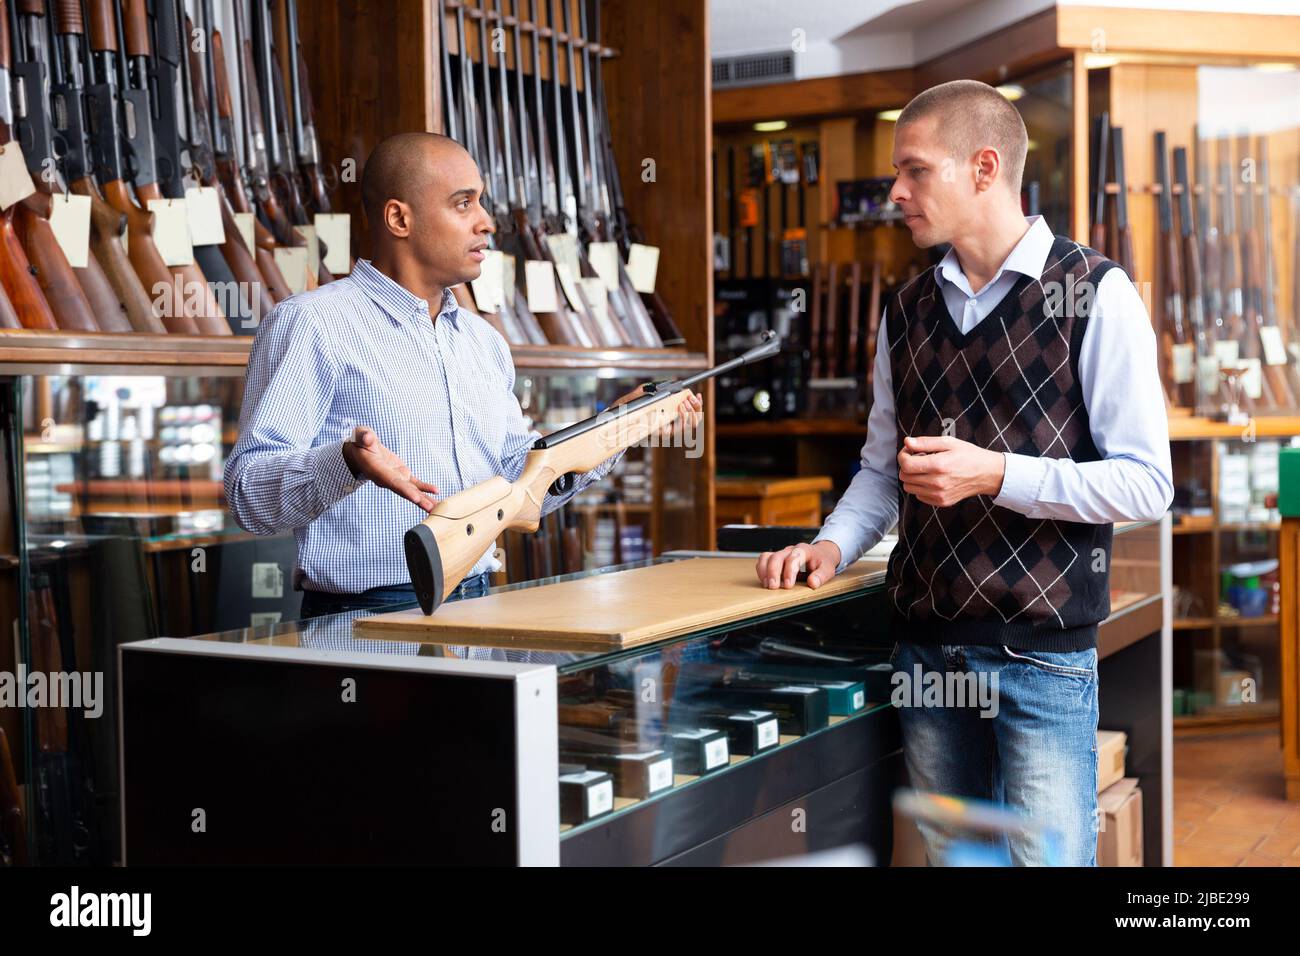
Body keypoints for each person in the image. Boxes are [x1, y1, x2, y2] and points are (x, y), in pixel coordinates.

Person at [754, 80, 1172, 866]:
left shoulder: (1095, 293)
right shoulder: (905, 308)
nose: (895, 192)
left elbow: (1147, 483)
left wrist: (994, 474)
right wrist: (831, 546)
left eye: (915, 171)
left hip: (1042, 656)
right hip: (924, 649)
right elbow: (881, 471)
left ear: (984, 168)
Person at [225, 132, 702, 620]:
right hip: (362, 619)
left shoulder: (484, 342)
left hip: (480, 606)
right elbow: (247, 497)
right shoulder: (312, 323)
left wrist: (614, 428)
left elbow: (521, 484)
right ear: (399, 219)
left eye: (482, 202)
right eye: (463, 204)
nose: (487, 222)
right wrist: (346, 464)